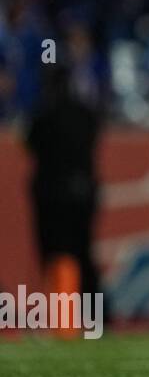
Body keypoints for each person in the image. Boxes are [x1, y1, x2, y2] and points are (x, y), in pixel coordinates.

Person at [24, 64, 103, 321]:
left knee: (54, 253)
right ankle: (93, 318)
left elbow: (30, 145)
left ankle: (62, 318)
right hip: (82, 193)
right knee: (83, 254)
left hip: (51, 196)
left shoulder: (43, 115)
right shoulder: (85, 114)